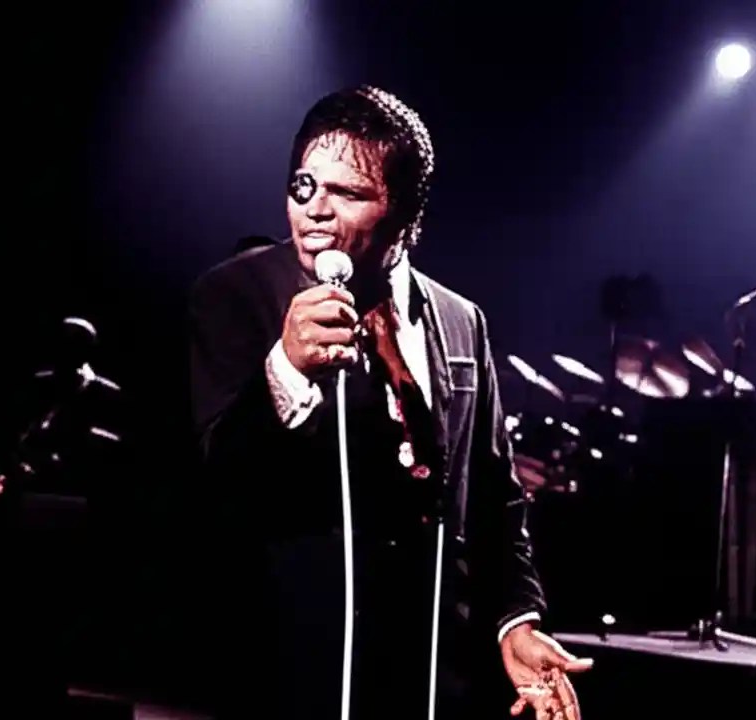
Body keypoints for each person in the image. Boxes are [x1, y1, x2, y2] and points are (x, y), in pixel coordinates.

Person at [188, 85, 591, 719]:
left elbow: (493, 496)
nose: (315, 209)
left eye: (347, 193)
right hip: (294, 667)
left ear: (406, 218)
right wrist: (286, 369)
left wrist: (515, 618)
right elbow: (213, 484)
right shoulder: (236, 297)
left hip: (429, 675)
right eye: (303, 186)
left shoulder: (461, 322)